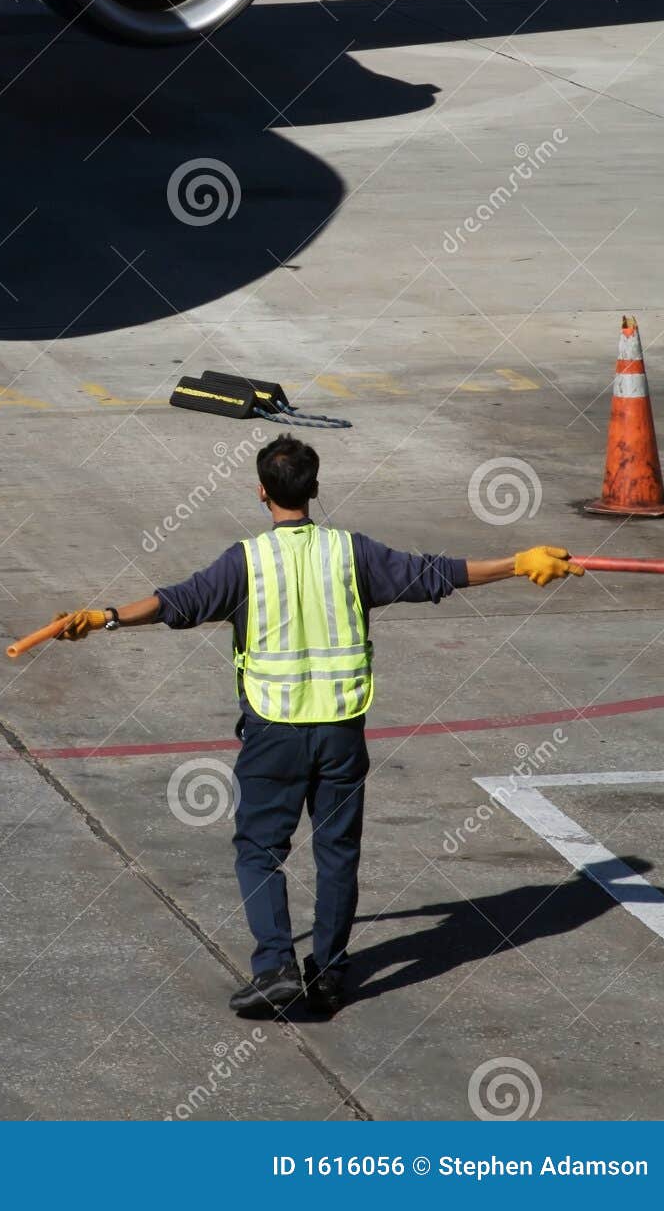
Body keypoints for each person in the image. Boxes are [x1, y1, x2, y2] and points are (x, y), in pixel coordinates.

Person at [50, 435, 582, 1018]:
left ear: (261, 492)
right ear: (316, 489)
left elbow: (175, 602)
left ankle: (276, 966)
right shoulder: (353, 554)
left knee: (258, 850)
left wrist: (102, 619)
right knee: (337, 853)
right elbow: (438, 574)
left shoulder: (246, 561)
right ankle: (329, 974)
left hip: (273, 732)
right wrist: (516, 562)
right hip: (340, 733)